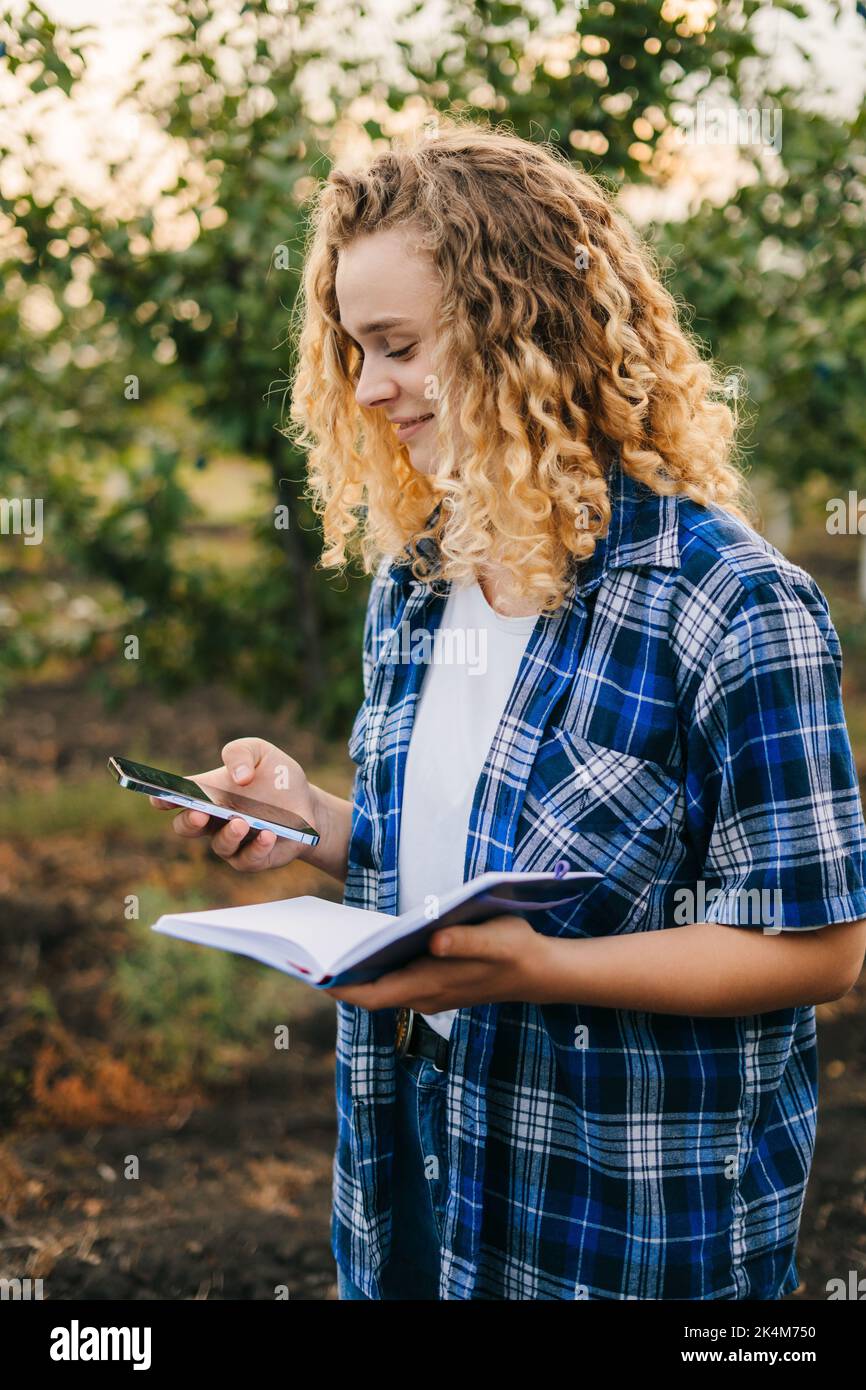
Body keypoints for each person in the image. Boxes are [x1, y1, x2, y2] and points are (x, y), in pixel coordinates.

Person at [153, 121, 866, 1301]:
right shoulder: (421, 581)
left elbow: (817, 947)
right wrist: (309, 821)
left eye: (395, 345)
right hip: (418, 1167)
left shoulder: (728, 604)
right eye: (351, 350)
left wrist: (536, 970)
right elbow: (443, 861)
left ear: (521, 328)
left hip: (616, 1215)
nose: (368, 388)